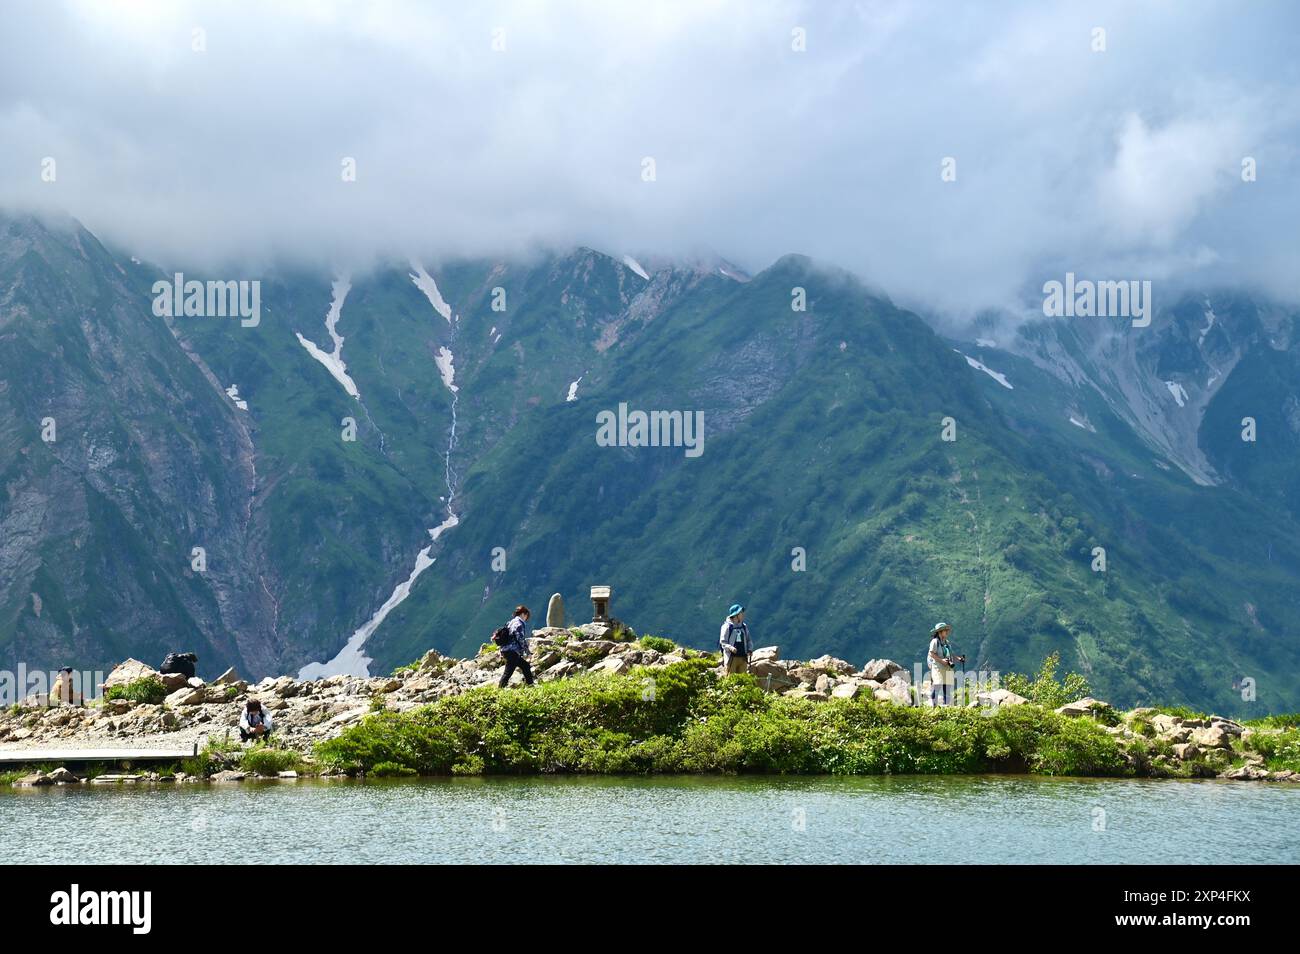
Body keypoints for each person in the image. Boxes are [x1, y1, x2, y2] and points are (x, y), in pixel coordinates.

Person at [927, 623, 965, 707]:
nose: (947, 632)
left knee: (947, 688)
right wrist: (942, 661)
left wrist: (958, 659)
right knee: (938, 685)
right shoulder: (935, 642)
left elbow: (950, 654)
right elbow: (931, 654)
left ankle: (946, 706)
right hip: (938, 667)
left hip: (947, 668)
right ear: (940, 632)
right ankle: (933, 706)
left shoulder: (946, 642)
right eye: (945, 630)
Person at [498, 604, 536, 688]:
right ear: (523, 614)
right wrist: (528, 652)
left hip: (506, 650)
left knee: (525, 666)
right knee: (508, 672)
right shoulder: (519, 623)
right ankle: (499, 690)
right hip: (512, 652)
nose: (526, 618)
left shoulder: (510, 622)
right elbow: (521, 639)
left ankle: (531, 685)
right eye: (527, 616)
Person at [719, 603, 752, 675]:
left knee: (743, 679)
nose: (743, 614)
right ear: (736, 615)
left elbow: (749, 639)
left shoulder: (744, 626)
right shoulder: (727, 626)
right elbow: (723, 642)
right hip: (731, 658)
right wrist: (731, 648)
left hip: (743, 657)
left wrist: (750, 649)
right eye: (741, 613)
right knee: (731, 678)